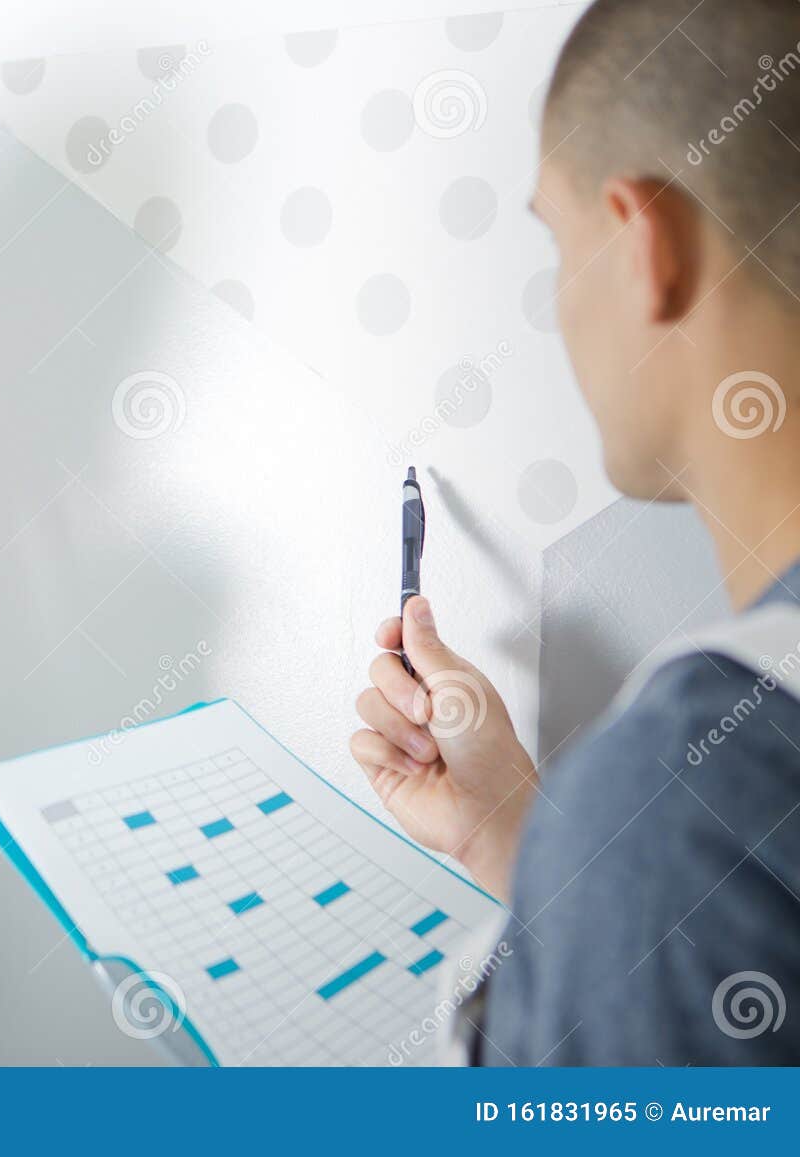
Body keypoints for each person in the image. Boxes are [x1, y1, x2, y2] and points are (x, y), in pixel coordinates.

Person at [352, 0, 800, 1065]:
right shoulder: (689, 815)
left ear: (650, 245)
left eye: (557, 243)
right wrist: (532, 837)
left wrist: (626, 840)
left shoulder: (694, 797)